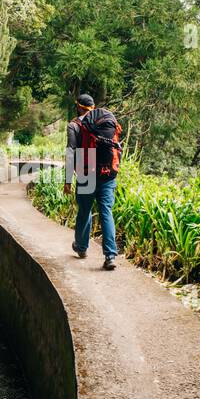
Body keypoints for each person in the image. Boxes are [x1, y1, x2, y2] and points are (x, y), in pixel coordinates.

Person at [64, 93, 121, 270]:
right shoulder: (104, 120)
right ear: (93, 107)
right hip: (108, 171)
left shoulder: (74, 125)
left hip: (85, 169)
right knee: (106, 211)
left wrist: (68, 180)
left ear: (79, 106)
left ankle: (81, 247)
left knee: (85, 210)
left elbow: (71, 151)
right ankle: (110, 256)